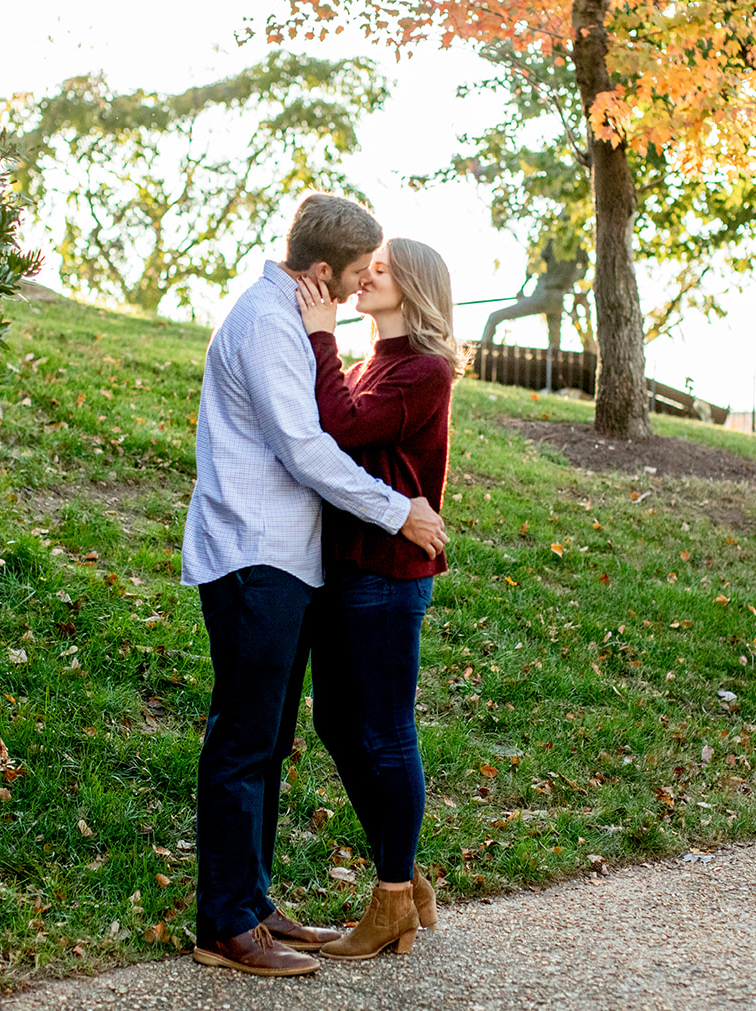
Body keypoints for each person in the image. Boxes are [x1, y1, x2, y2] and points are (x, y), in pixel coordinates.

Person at [181, 194, 448, 978]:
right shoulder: (270, 324)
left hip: (290, 561)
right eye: (361, 269)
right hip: (253, 556)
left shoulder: (298, 324)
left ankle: (252, 902)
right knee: (241, 741)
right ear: (325, 270)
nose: (367, 280)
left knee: (267, 741)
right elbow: (307, 446)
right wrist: (400, 511)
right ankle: (225, 924)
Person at [295, 238, 463, 959]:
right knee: (335, 719)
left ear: (413, 288)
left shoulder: (427, 371)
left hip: (389, 573)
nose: (367, 277)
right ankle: (406, 875)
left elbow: (343, 426)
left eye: (382, 270)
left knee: (388, 730)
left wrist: (321, 333)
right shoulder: (372, 365)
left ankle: (393, 893)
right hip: (345, 565)